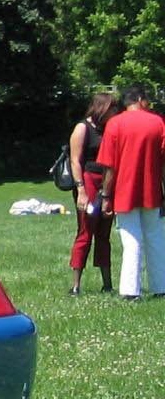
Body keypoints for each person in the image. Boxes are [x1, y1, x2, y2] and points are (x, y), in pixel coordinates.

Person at [96, 84, 165, 301]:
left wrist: (106, 196)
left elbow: (109, 166)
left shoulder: (115, 124)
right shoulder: (158, 122)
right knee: (155, 238)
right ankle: (160, 286)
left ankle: (130, 290)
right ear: (141, 99)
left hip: (124, 192)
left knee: (131, 240)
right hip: (152, 191)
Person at [68, 92, 118, 295]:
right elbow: (75, 160)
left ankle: (107, 284)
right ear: (102, 108)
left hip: (107, 181)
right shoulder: (82, 128)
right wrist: (81, 190)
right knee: (85, 231)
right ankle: (75, 285)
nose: (115, 112)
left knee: (104, 234)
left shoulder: (110, 128)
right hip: (88, 179)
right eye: (113, 108)